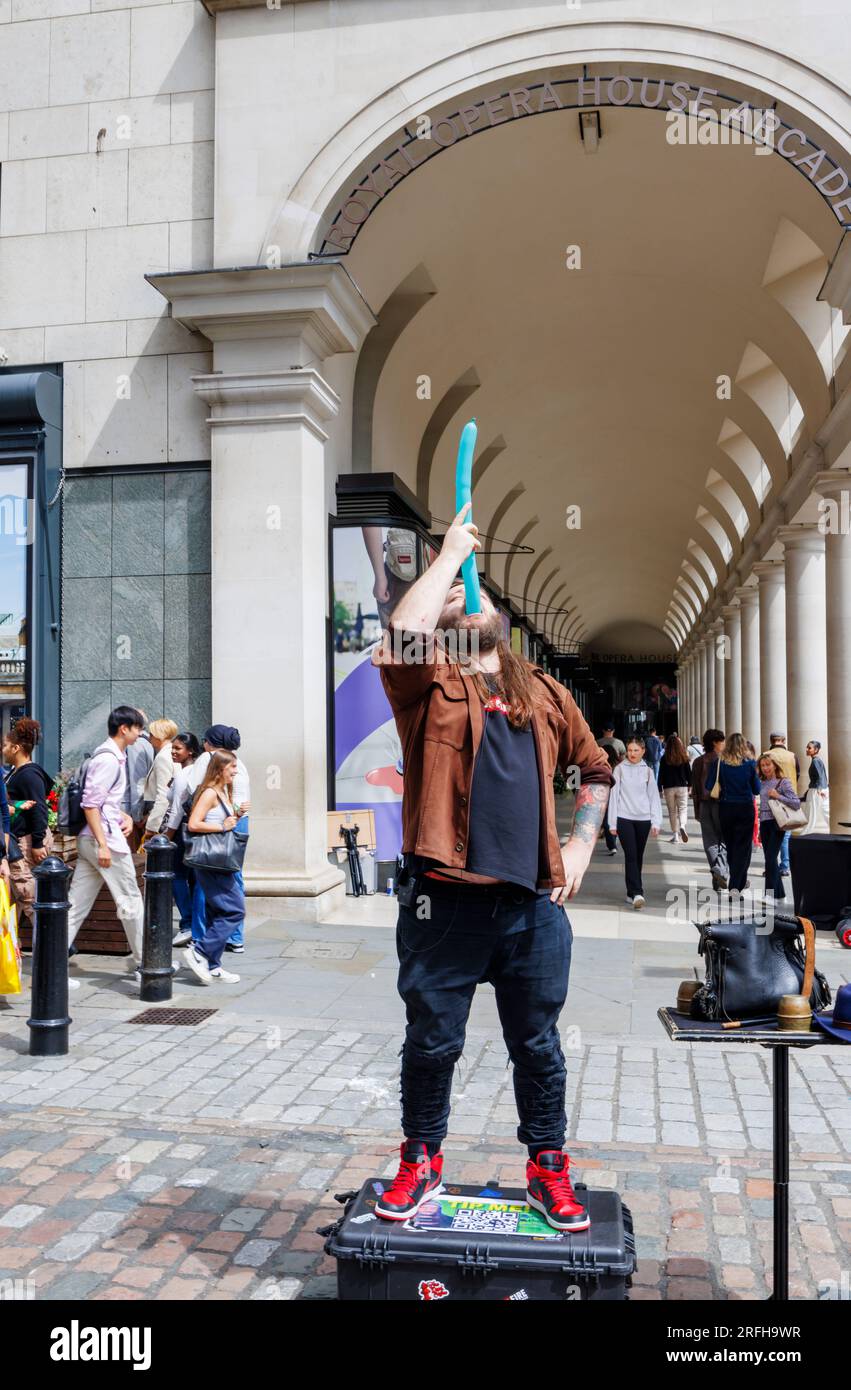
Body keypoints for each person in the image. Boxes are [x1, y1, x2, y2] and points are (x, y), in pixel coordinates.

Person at [371, 502, 612, 1232]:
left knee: (537, 1047)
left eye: (480, 591)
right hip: (442, 902)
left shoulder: (542, 689)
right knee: (431, 1042)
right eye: (457, 595)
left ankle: (547, 1167)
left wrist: (578, 846)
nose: (471, 597)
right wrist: (444, 559)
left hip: (531, 906)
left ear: (501, 615)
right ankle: (420, 1160)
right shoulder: (425, 684)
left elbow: (595, 770)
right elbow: (396, 642)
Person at [66, 706, 147, 991]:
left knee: (75, 906)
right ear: (124, 728)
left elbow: (103, 803)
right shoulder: (109, 760)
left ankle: (49, 964)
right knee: (130, 900)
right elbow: (90, 804)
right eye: (138, 728)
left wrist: (122, 816)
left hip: (96, 838)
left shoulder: (110, 756)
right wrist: (103, 844)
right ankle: (146, 964)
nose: (141, 733)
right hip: (105, 842)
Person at [181, 750, 244, 986]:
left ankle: (214, 966)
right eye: (232, 767)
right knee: (235, 910)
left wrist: (235, 815)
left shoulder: (222, 791)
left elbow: (223, 822)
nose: (236, 771)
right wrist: (222, 826)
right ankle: (200, 951)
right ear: (219, 769)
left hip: (219, 862)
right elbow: (194, 824)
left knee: (218, 912)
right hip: (212, 862)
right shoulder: (209, 792)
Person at [186, 726, 251, 954]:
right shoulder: (238, 762)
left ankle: (200, 936)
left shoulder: (211, 759)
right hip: (236, 822)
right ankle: (233, 936)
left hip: (220, 823)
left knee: (205, 880)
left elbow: (190, 791)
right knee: (233, 878)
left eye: (205, 740)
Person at [2, 717, 53, 932]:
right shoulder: (17, 772)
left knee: (25, 891)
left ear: (16, 747)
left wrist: (38, 843)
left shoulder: (28, 774)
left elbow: (39, 809)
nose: (2, 750)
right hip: (20, 840)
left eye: (5, 746)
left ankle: (55, 942)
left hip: (25, 840)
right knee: (14, 894)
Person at [607, 735, 662, 909]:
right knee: (631, 855)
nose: (632, 753)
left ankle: (631, 892)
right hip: (624, 819)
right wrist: (612, 823)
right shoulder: (619, 770)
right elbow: (613, 797)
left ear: (643, 751)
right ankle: (638, 892)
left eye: (636, 750)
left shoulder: (648, 771)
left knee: (638, 856)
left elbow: (654, 798)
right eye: (629, 750)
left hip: (643, 820)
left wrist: (656, 822)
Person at [706, 733, 761, 893]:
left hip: (726, 808)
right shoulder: (749, 764)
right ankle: (736, 887)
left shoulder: (719, 763)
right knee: (743, 849)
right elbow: (756, 789)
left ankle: (736, 884)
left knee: (730, 847)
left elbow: (710, 785)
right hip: (745, 808)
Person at [165, 732, 201, 948]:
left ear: (191, 751)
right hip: (195, 831)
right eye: (173, 748)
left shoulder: (183, 775)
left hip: (181, 831)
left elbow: (177, 810)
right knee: (194, 878)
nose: (174, 752)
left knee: (177, 876)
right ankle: (195, 926)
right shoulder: (196, 772)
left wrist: (167, 835)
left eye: (178, 748)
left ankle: (187, 923)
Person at [757, 752, 801, 901]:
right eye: (762, 765)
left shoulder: (783, 782)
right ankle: (780, 894)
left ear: (775, 765)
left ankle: (770, 896)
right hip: (764, 824)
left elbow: (796, 803)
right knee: (770, 860)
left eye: (768, 764)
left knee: (769, 859)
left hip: (777, 824)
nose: (765, 768)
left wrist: (778, 796)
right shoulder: (762, 783)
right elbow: (762, 805)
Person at [691, 729, 728, 890]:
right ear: (715, 742)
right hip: (722, 804)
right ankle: (719, 869)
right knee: (726, 840)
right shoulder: (724, 760)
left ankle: (717, 877)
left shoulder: (698, 761)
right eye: (722, 741)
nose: (724, 744)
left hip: (705, 804)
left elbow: (696, 788)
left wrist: (697, 810)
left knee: (710, 841)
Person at [765, 733, 800, 878]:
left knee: (769, 834)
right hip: (788, 797)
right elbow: (797, 773)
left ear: (771, 741)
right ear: (784, 741)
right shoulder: (792, 755)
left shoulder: (766, 755)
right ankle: (785, 866)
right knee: (785, 834)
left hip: (770, 796)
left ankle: (771, 866)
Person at [142, 718, 178, 838]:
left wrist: (152, 826)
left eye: (151, 734)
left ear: (159, 736)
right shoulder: (172, 753)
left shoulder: (163, 757)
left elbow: (163, 794)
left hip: (163, 817)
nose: (149, 737)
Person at [122, 714, 154, 851]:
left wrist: (137, 815)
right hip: (135, 809)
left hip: (129, 810)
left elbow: (138, 782)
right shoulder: (146, 743)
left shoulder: (136, 745)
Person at [658, 734, 691, 843]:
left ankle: (675, 835)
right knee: (683, 808)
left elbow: (660, 774)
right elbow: (688, 773)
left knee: (672, 811)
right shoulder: (684, 757)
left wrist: (659, 788)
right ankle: (682, 825)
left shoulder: (664, 758)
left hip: (668, 787)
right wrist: (690, 785)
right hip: (682, 786)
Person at [802, 739, 830, 835]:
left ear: (816, 749)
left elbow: (820, 776)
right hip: (817, 789)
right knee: (816, 811)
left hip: (817, 790)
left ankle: (805, 833)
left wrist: (819, 790)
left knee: (813, 812)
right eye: (807, 747)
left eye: (809, 748)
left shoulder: (816, 761)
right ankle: (806, 832)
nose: (807, 749)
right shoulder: (816, 760)